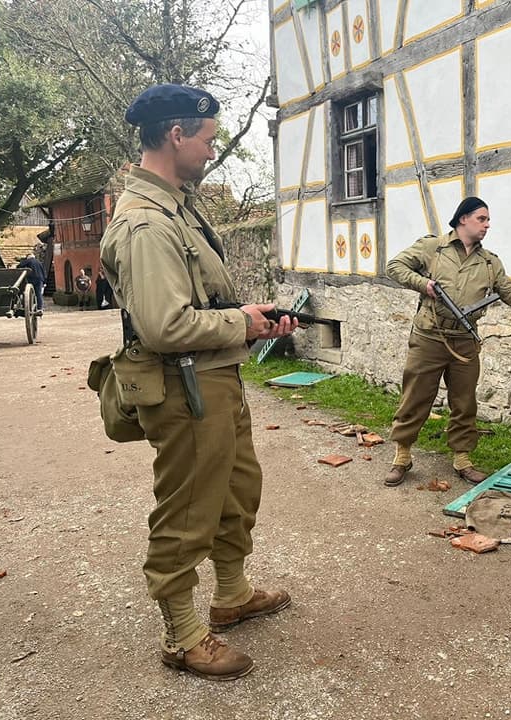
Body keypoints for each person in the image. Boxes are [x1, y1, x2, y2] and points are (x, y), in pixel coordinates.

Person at [100, 83, 296, 681]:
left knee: (236, 491)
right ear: (176, 134)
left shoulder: (179, 206)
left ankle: (231, 594)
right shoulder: (146, 223)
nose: (213, 150)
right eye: (207, 139)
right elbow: (164, 326)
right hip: (183, 388)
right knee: (188, 508)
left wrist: (251, 319)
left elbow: (198, 303)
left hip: (213, 376)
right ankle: (182, 636)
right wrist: (241, 322)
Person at [384, 197, 511, 487]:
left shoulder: (490, 262)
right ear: (463, 219)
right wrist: (423, 284)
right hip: (429, 336)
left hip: (464, 340)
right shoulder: (433, 248)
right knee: (415, 397)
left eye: (488, 220)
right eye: (482, 219)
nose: (487, 225)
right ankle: (402, 456)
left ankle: (462, 459)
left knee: (464, 402)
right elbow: (395, 266)